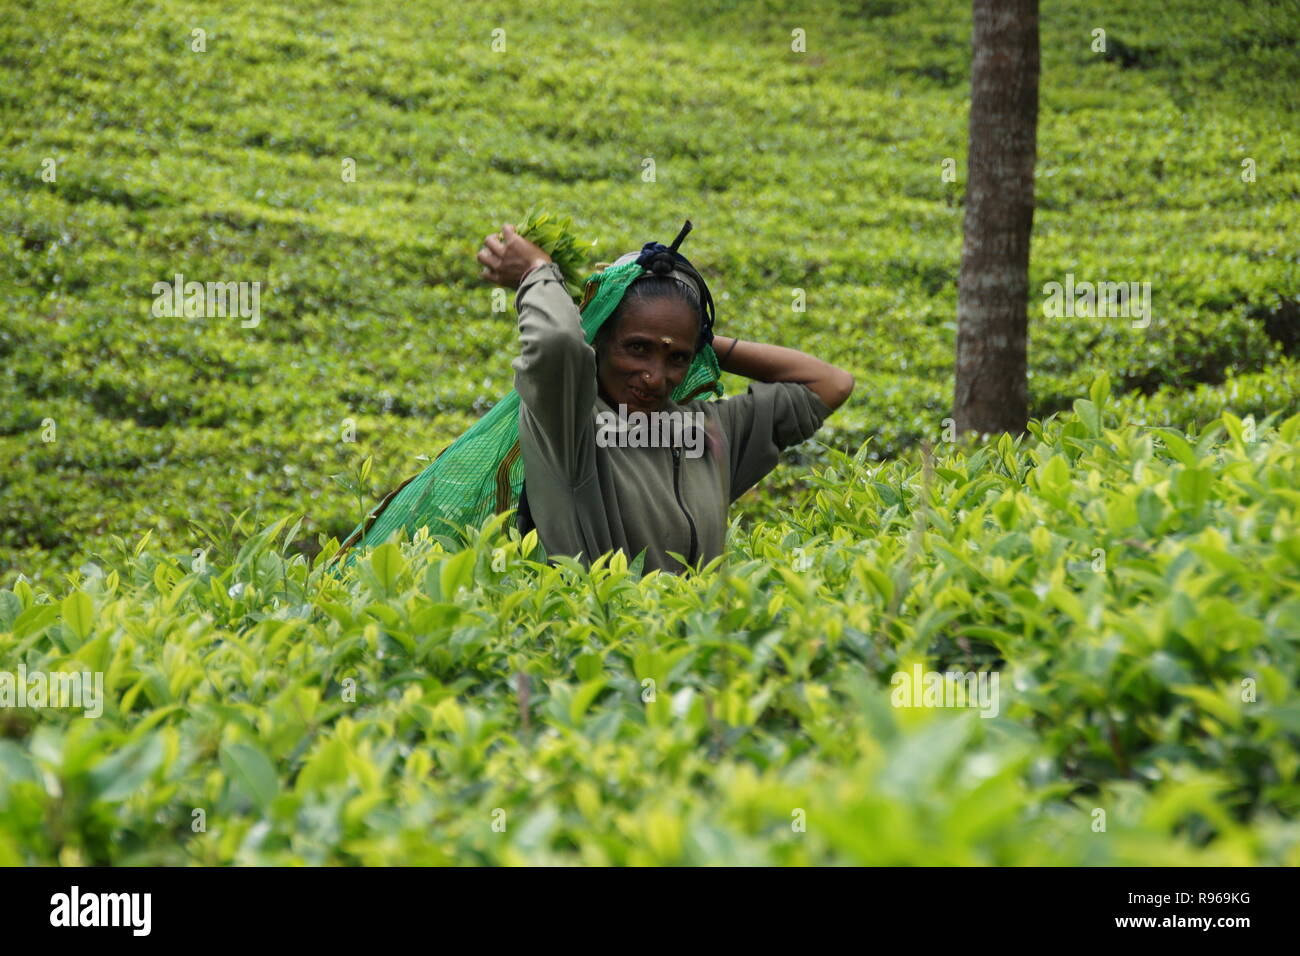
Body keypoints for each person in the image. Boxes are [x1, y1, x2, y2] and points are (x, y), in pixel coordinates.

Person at [477, 221, 854, 575]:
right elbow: (556, 342)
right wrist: (538, 272)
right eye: (637, 348)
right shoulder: (567, 423)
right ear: (599, 340)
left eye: (677, 358)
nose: (655, 377)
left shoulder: (709, 432)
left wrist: (699, 339)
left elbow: (830, 384)